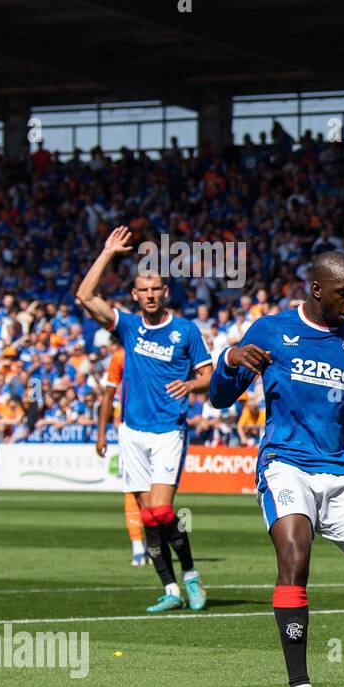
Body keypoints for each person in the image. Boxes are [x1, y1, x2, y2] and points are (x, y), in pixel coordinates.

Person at [208, 251, 344, 687]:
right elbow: (220, 398)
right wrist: (229, 359)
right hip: (286, 466)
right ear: (317, 289)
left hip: (341, 473)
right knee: (295, 555)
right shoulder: (269, 330)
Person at [76, 227, 213, 612]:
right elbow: (84, 296)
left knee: (161, 511)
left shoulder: (186, 330)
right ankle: (171, 591)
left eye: (157, 289)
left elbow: (209, 376)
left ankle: (190, 575)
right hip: (132, 432)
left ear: (164, 292)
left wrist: (192, 386)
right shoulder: (128, 326)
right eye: (144, 290)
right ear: (135, 295)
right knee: (148, 517)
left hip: (168, 430)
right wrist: (107, 253)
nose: (151, 294)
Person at [94, 346, 146, 566]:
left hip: (164, 428)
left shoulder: (164, 347)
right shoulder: (120, 356)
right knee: (132, 488)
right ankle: (138, 547)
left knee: (158, 493)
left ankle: (154, 545)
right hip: (130, 428)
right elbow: (109, 394)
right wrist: (102, 433)